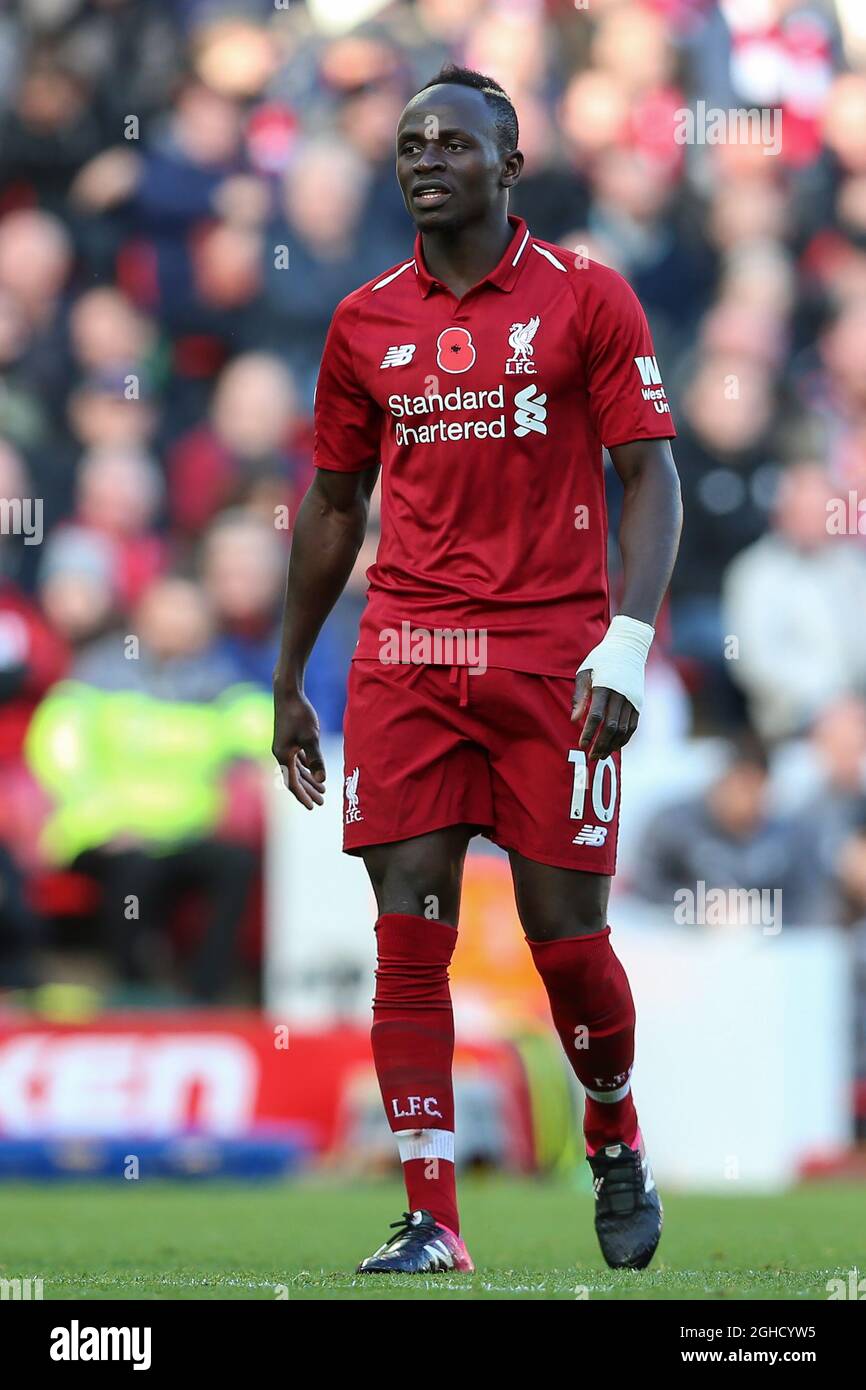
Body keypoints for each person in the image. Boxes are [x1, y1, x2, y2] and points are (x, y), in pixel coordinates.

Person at [272, 65, 681, 1274]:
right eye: (408, 143)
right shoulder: (361, 322)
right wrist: (290, 675)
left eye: (451, 141)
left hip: (554, 656)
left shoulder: (586, 298)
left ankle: (610, 1125)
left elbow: (648, 478)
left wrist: (627, 641)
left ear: (509, 165)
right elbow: (333, 506)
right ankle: (431, 1217)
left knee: (564, 940)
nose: (423, 158)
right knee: (409, 928)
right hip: (405, 652)